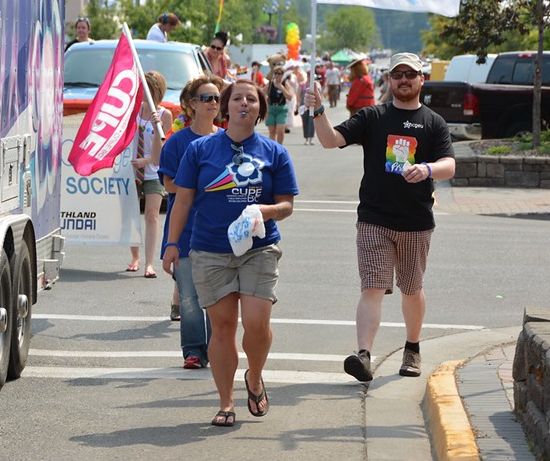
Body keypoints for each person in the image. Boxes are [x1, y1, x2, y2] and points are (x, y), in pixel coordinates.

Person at [305, 52, 455, 383]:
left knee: (411, 289)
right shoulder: (372, 117)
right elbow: (330, 140)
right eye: (397, 74)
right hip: (374, 218)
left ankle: (412, 348)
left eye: (410, 74)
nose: (404, 80)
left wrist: (426, 168)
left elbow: (449, 164)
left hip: (416, 221)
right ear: (389, 80)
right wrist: (317, 109)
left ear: (421, 80)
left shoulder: (433, 122)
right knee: (372, 285)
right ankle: (364, 356)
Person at [162, 78, 298, 427]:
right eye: (237, 98)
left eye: (251, 100)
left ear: (259, 110)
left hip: (259, 248)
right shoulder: (201, 150)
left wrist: (264, 212)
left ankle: (254, 376)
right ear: (226, 107)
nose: (244, 104)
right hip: (209, 249)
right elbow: (183, 199)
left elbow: (286, 205)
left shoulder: (274, 152)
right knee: (222, 328)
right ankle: (226, 402)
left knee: (256, 324)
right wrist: (172, 244)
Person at [158, 74, 226, 369]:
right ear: (190, 105)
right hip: (185, 228)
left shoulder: (228, 138)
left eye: (216, 98)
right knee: (189, 297)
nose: (213, 103)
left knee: (218, 296)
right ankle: (193, 350)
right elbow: (169, 184)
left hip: (218, 230)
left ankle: (218, 346)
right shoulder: (177, 142)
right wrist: (201, 188)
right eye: (206, 98)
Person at [128, 71, 174, 279]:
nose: (142, 93)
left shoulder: (164, 115)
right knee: (131, 215)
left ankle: (149, 263)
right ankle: (135, 258)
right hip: (131, 169)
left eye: (146, 88)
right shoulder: (135, 110)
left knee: (152, 215)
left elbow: (158, 155)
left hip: (152, 172)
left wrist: (157, 127)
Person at [265, 66, 294, 145]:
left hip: (281, 109)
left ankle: (279, 147)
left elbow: (290, 97)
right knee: (272, 131)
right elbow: (261, 92)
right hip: (270, 109)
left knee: (280, 131)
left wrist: (282, 88)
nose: (277, 75)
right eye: (275, 73)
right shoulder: (270, 84)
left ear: (283, 74)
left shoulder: (285, 83)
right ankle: (273, 148)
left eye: (279, 73)